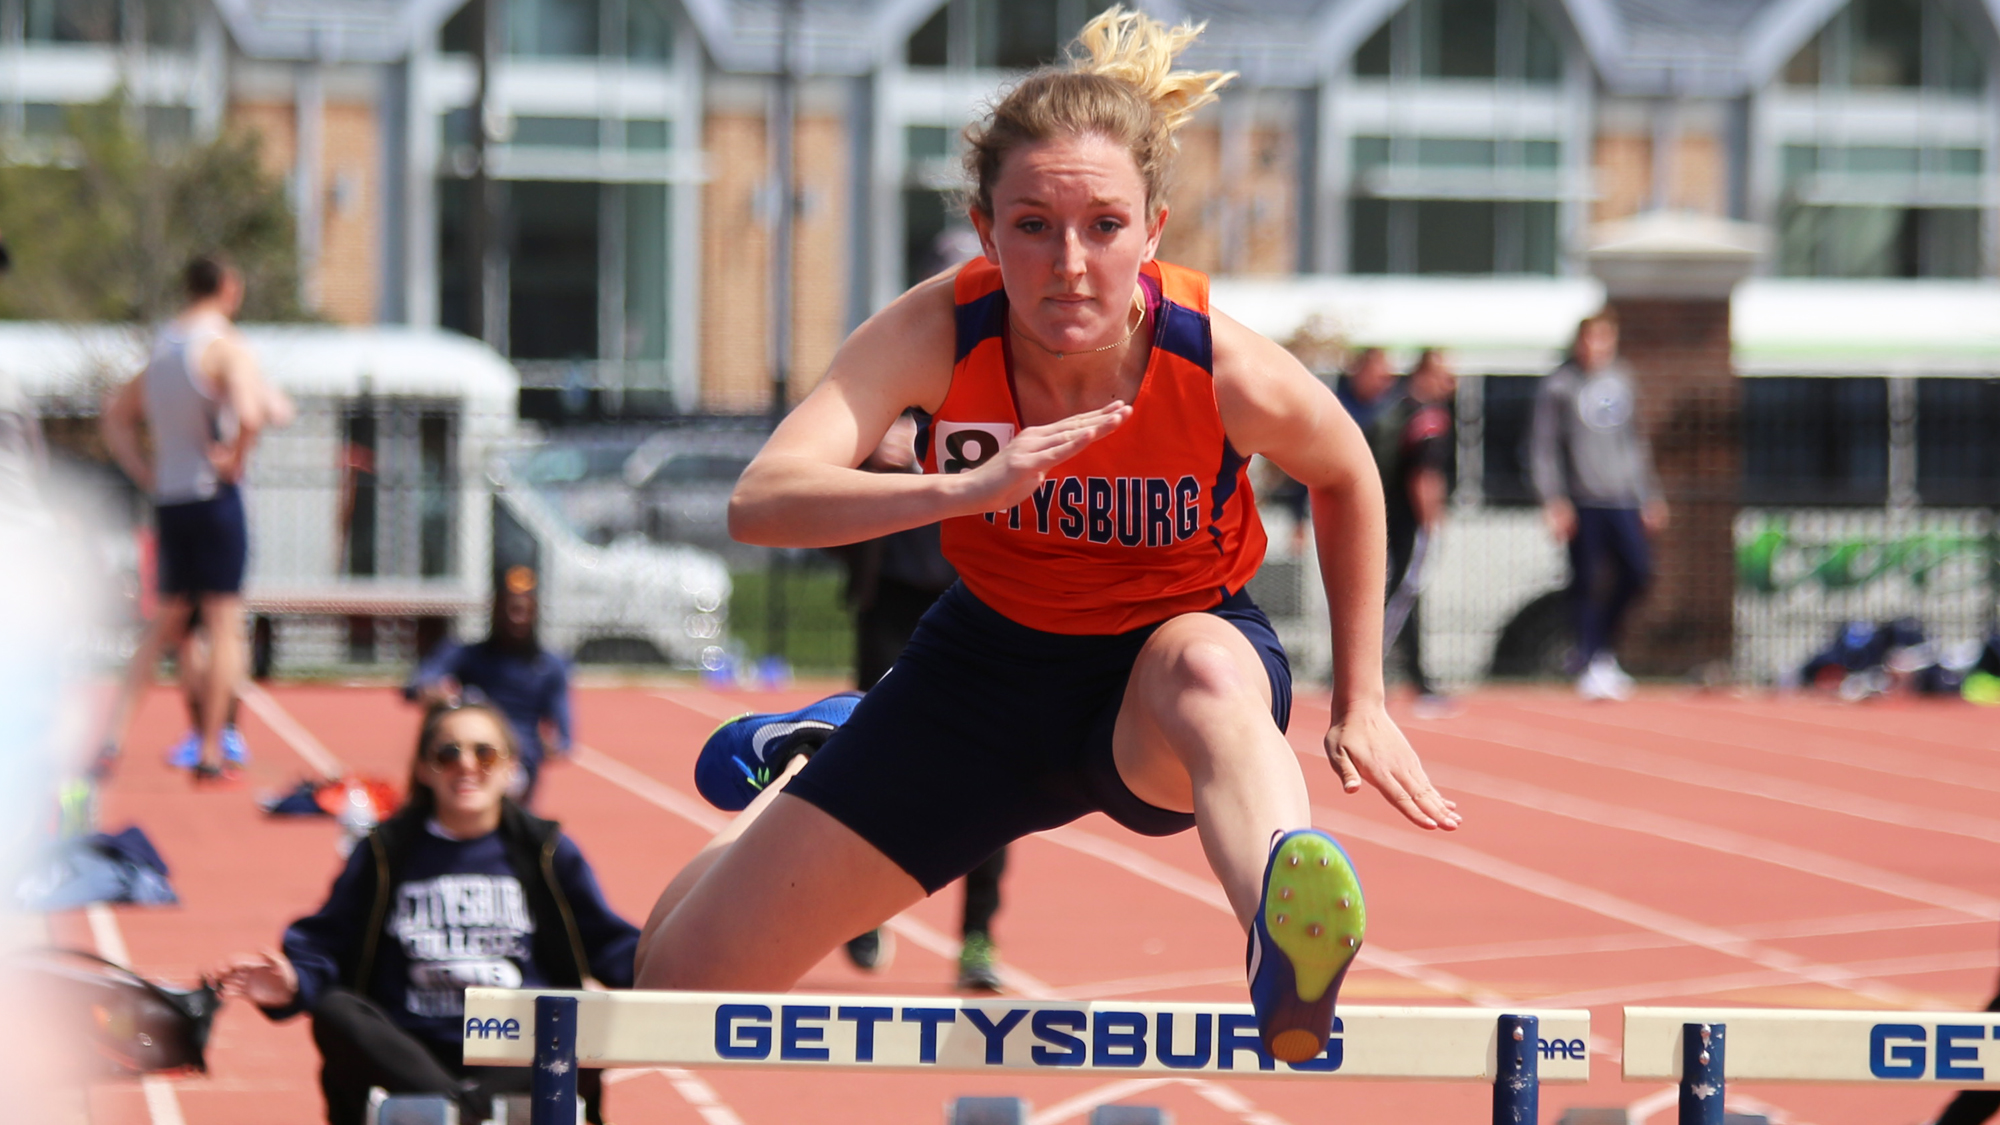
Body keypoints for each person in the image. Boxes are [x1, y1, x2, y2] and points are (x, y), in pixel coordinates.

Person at [631, 7, 1457, 1066]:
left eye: (1103, 227)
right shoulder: (941, 329)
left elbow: (1345, 471)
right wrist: (960, 491)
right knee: (668, 997)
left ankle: (1281, 939)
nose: (1069, 264)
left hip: (1159, 677)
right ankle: (812, 770)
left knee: (1204, 666)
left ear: (1151, 232)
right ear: (986, 232)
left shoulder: (1215, 363)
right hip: (979, 675)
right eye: (1032, 226)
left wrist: (1363, 700)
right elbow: (765, 497)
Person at [212, 700, 639, 1125]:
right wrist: (293, 981)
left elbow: (607, 941)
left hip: (519, 1053)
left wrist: (681, 967)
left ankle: (460, 1111)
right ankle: (466, 1109)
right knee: (334, 1009)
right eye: (447, 754)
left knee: (591, 1013)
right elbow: (328, 941)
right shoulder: (386, 852)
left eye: (484, 753)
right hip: (412, 1054)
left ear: (511, 768)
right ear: (424, 768)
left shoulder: (545, 851)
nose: (466, 766)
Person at [837, 409, 1009, 989]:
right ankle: (861, 913)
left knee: (991, 783)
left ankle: (978, 938)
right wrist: (865, 465)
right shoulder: (882, 412)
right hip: (890, 613)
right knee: (876, 770)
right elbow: (812, 517)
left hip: (980, 614)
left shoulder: (995, 400)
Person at [99, 254, 273, 781]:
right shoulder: (224, 346)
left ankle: (112, 739)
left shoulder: (163, 347)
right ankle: (212, 749)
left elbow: (116, 416)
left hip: (171, 498)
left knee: (165, 621)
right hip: (214, 497)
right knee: (224, 621)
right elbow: (251, 414)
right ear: (227, 287)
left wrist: (143, 469)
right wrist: (235, 457)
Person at [1529, 311, 1667, 701]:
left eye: (1604, 339)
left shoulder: (1622, 380)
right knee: (1587, 582)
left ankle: (1602, 649)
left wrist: (1649, 494)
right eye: (1590, 339)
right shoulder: (1560, 385)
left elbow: (1636, 443)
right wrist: (1553, 499)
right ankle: (1589, 660)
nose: (1596, 347)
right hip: (1582, 499)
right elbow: (1543, 447)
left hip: (1621, 497)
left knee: (1638, 572)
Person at [404, 566, 572, 807]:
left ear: (535, 613)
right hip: (465, 749)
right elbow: (418, 681)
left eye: (524, 610)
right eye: (509, 608)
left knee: (497, 790)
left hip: (516, 759)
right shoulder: (468, 654)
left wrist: (555, 745)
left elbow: (565, 734)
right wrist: (431, 690)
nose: (516, 617)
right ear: (495, 611)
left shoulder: (550, 666)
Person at [1370, 349, 1456, 714]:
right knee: (1403, 594)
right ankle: (1369, 674)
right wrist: (1432, 520)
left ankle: (1415, 676)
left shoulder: (1397, 408)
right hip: (1409, 520)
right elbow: (1425, 474)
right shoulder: (1428, 418)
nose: (1451, 383)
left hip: (1387, 515)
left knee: (1400, 593)